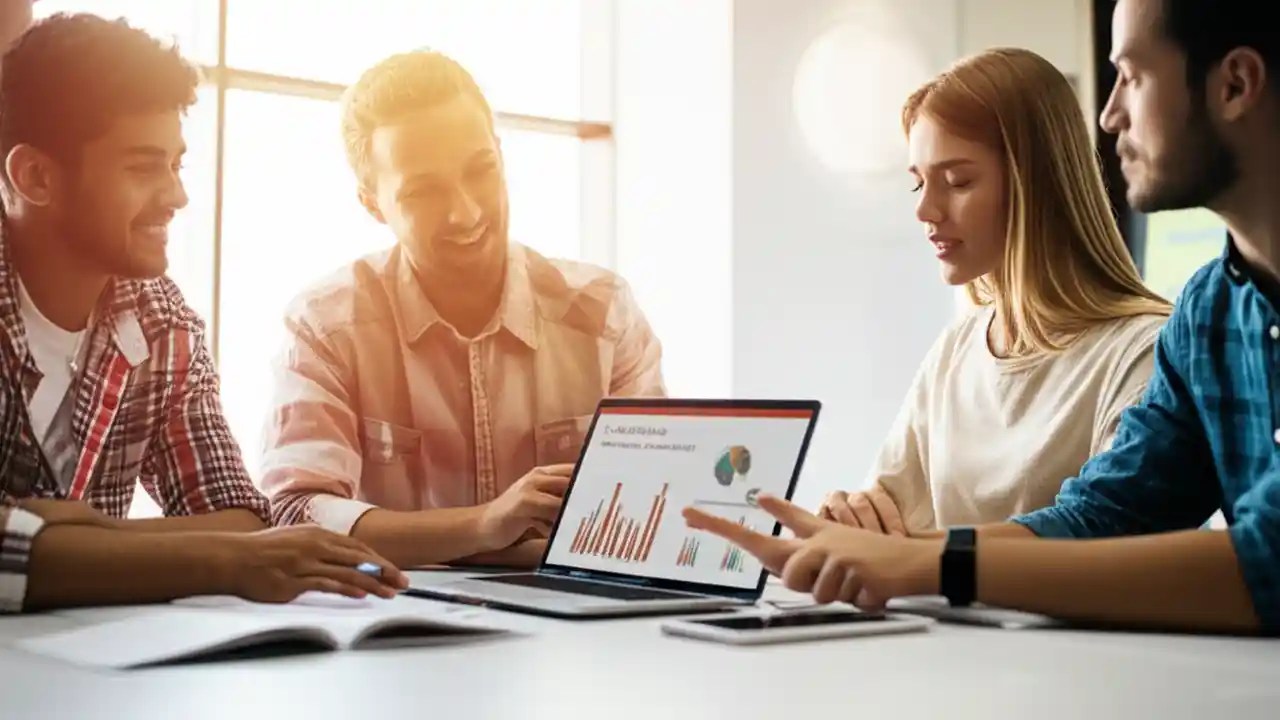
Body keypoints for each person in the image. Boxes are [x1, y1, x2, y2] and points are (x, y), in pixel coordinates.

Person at [688, 0, 1280, 636]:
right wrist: (896, 551)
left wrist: (933, 564)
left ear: (1235, 84)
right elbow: (1103, 518)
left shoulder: (1148, 337)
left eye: (1131, 78)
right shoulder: (1210, 314)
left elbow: (1266, 561)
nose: (1108, 116)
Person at [0, 13, 405, 612]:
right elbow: (236, 547)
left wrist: (79, 535)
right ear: (36, 176)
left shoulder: (161, 321)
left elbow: (237, 517)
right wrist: (215, 560)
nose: (176, 196)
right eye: (142, 167)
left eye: (176, 164)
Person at [261, 50, 666, 568]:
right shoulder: (327, 325)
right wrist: (484, 525)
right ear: (372, 201)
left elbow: (655, 507)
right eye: (423, 191)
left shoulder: (604, 312)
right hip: (399, 625)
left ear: (500, 154)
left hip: (578, 623)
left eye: (480, 171)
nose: (465, 211)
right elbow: (295, 512)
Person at [817, 47, 1170, 534]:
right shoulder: (956, 350)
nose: (925, 210)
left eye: (957, 181)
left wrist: (910, 555)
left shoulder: (1142, 350)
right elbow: (886, 522)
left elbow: (1106, 537)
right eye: (919, 183)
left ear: (1036, 183)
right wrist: (850, 519)